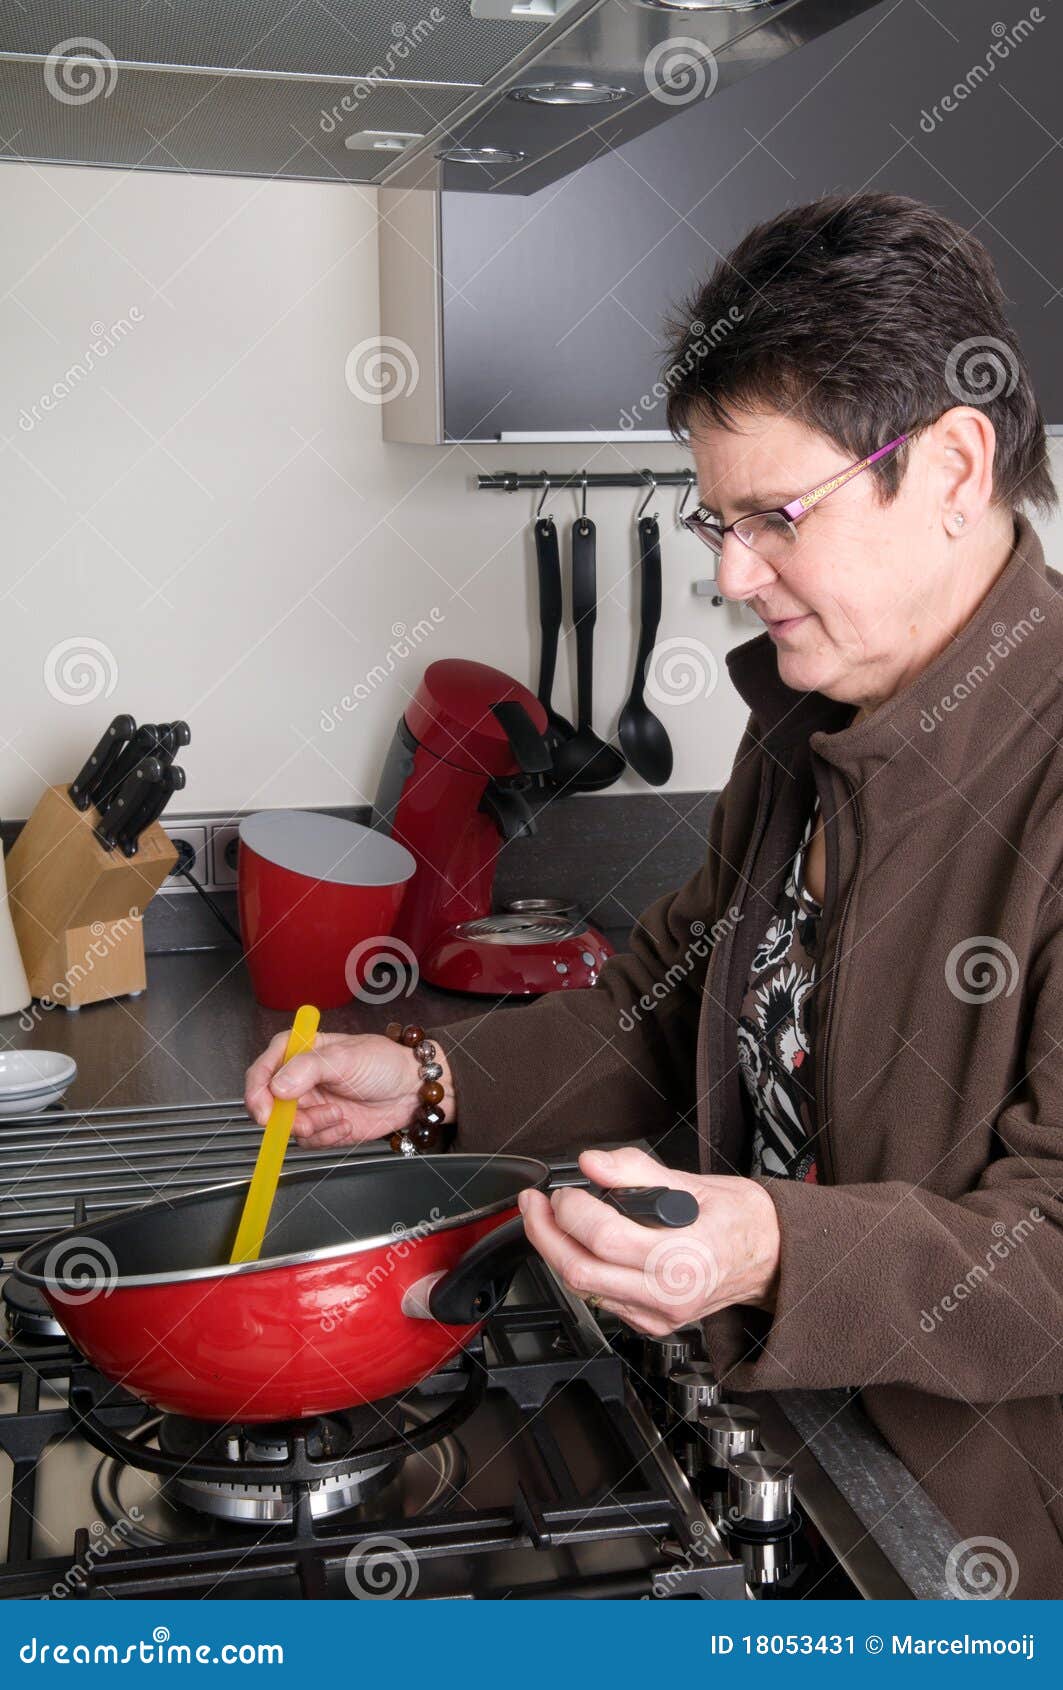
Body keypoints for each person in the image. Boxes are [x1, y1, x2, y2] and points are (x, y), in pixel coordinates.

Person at [246, 193, 1063, 1597]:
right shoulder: (809, 729)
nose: (733, 577)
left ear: (951, 463)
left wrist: (772, 1247)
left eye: (774, 518)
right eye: (716, 522)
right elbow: (661, 1007)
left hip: (968, 1552)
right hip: (773, 1456)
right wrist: (432, 1079)